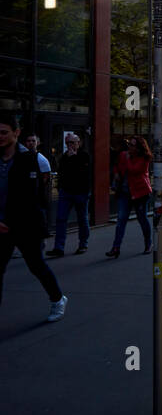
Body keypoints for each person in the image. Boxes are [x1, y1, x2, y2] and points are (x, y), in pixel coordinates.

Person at [0, 111, 66, 321]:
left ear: (16, 133)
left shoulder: (29, 159)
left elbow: (30, 197)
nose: (0, 136)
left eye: (4, 132)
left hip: (24, 225)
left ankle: (58, 299)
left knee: (36, 265)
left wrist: (9, 222)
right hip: (0, 226)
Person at [106, 136, 152, 257]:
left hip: (140, 193)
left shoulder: (144, 158)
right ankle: (116, 247)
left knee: (142, 219)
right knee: (121, 220)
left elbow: (134, 170)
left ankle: (148, 243)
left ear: (138, 148)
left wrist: (127, 159)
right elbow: (117, 166)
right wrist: (116, 174)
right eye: (129, 144)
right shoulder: (123, 155)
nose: (129, 147)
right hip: (125, 193)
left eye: (132, 145)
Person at [47, 133, 91, 256]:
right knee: (61, 219)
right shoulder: (64, 157)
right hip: (66, 192)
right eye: (68, 143)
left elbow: (83, 173)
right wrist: (59, 187)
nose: (70, 145)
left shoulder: (84, 155)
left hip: (80, 193)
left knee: (82, 219)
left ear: (78, 143)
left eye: (72, 142)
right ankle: (59, 248)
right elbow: (61, 171)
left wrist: (74, 158)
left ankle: (83, 244)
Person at [23, 131, 52, 236]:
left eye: (33, 141)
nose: (31, 143)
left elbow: (46, 177)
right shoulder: (22, 157)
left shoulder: (41, 159)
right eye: (28, 141)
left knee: (39, 221)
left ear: (37, 143)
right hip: (24, 196)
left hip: (37, 197)